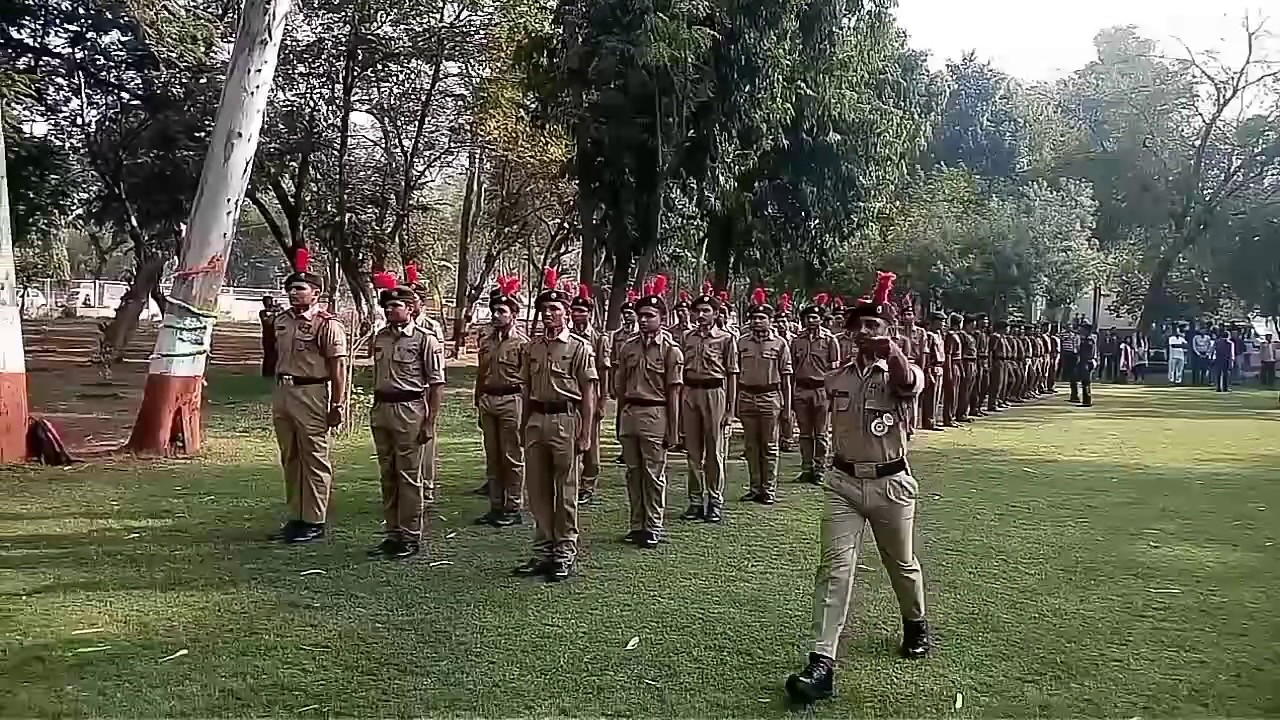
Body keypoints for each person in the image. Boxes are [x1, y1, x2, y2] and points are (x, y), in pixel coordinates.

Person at [784, 271, 930, 705]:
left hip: (890, 484)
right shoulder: (838, 377)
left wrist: (895, 353)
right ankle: (821, 663)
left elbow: (908, 385)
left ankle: (916, 621)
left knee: (901, 564)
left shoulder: (900, 370)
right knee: (833, 570)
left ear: (888, 331)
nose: (865, 332)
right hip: (844, 483)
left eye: (874, 325)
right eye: (859, 326)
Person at [513, 268, 598, 582]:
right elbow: (524, 388)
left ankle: (564, 550)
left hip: (565, 419)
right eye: (544, 310)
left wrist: (586, 433)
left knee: (565, 490)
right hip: (537, 420)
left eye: (555, 310)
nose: (549, 314)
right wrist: (523, 426)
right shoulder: (532, 347)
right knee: (537, 490)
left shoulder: (579, 348)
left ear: (565, 314)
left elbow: (589, 393)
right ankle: (543, 549)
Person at [270, 248, 349, 544]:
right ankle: (297, 515)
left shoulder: (327, 324)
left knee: (314, 456)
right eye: (290, 288)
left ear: (315, 293)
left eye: (300, 288)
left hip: (312, 391)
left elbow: (338, 367)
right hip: (284, 391)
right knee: (290, 455)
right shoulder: (282, 320)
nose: (293, 293)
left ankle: (314, 519)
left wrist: (337, 404)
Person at [367, 272, 445, 560]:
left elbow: (436, 384)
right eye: (386, 307)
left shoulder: (425, 340)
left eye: (396, 306)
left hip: (410, 408)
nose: (390, 311)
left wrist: (430, 421)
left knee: (409, 475)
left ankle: (410, 534)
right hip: (383, 408)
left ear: (411, 309)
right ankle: (392, 532)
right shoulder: (381, 337)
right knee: (387, 474)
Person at [615, 276, 684, 548]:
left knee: (653, 475)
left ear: (662, 318)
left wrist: (674, 430)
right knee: (633, 473)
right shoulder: (627, 347)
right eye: (640, 316)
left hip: (656, 415)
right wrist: (619, 420)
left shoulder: (671, 351)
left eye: (649, 315)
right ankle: (636, 524)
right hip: (631, 414)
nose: (643, 320)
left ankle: (653, 526)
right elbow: (620, 389)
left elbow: (674, 393)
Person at [679, 285, 738, 523]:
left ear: (716, 313)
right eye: (698, 311)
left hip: (715, 392)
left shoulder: (726, 339)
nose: (700, 315)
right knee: (692, 451)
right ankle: (695, 500)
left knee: (714, 451)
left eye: (706, 311)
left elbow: (732, 374)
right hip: (691, 391)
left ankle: (714, 500)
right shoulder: (687, 337)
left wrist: (730, 410)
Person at [474, 275, 528, 528]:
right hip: (489, 399)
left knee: (512, 455)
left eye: (502, 311)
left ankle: (513, 506)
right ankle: (495, 505)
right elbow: (480, 374)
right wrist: (478, 400)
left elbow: (528, 379)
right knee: (492, 456)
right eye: (494, 311)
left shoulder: (523, 344)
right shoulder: (485, 341)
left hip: (512, 400)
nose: (496, 315)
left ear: (513, 315)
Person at [738, 288, 793, 505]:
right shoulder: (742, 342)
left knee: (769, 446)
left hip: (770, 397)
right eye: (754, 318)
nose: (757, 321)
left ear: (770, 321)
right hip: (747, 396)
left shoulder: (780, 344)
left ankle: (768, 489)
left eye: (762, 318)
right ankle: (754, 487)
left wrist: (787, 408)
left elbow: (787, 378)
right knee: (751, 447)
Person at [790, 294, 840, 484]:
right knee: (804, 433)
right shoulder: (797, 341)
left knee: (820, 434)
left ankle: (820, 469)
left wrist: (832, 394)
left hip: (821, 390)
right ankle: (806, 468)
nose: (811, 321)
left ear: (821, 319)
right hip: (802, 389)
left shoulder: (829, 340)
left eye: (815, 317)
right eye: (807, 318)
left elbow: (834, 369)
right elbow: (793, 367)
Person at [570, 282, 612, 503]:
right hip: (570, 397)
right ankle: (573, 483)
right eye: (574, 310)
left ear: (589, 313)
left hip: (591, 396)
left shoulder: (599, 339)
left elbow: (603, 374)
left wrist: (602, 402)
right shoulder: (567, 337)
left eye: (582, 311)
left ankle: (588, 483)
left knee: (591, 444)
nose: (577, 315)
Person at [610, 292, 639, 464]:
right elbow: (614, 361)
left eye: (630, 313)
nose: (627, 316)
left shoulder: (640, 334)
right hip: (623, 379)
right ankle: (624, 449)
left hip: (639, 379)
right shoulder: (618, 335)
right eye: (625, 314)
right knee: (621, 416)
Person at [776, 293, 799, 454]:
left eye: (783, 322)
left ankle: (788, 438)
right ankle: (777, 438)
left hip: (793, 377)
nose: (781, 325)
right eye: (778, 322)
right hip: (776, 376)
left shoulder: (794, 340)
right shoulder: (774, 341)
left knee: (789, 409)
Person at [921, 311, 946, 429]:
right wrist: (928, 371)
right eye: (941, 321)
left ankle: (934, 419)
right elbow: (927, 355)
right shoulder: (929, 335)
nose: (943, 323)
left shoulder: (940, 336)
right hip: (933, 367)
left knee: (937, 396)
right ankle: (928, 421)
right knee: (930, 396)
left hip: (940, 367)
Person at [941, 313, 963, 425]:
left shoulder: (955, 335)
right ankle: (948, 417)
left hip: (957, 365)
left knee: (955, 393)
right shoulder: (951, 336)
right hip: (952, 365)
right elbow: (948, 354)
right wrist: (948, 371)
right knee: (951, 393)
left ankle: (952, 417)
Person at [956, 315, 978, 422]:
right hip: (966, 361)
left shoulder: (971, 336)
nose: (974, 327)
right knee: (964, 390)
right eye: (972, 325)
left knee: (969, 389)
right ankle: (960, 413)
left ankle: (965, 412)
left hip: (972, 362)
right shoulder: (962, 335)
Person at [1071, 321, 1097, 406]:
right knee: (1077, 379)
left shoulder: (1089, 340)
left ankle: (1087, 400)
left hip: (1087, 362)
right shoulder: (1084, 339)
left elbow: (1089, 353)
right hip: (1083, 361)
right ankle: (1079, 398)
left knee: (1086, 382)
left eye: (1083, 329)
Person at [987, 319, 1009, 412]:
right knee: (996, 383)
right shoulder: (995, 337)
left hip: (1003, 361)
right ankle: (992, 403)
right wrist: (990, 364)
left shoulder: (1002, 337)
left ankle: (999, 400)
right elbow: (991, 351)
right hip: (997, 361)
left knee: (1002, 383)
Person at [971, 314, 990, 415]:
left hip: (985, 361)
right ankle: (974, 407)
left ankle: (979, 406)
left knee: (984, 385)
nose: (985, 322)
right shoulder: (977, 334)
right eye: (983, 320)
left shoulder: (985, 334)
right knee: (977, 386)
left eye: (986, 320)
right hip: (979, 360)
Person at [259, 295, 280, 377]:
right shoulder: (263, 312)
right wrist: (274, 314)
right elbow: (267, 322)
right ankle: (267, 373)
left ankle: (273, 372)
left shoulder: (274, 312)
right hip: (267, 337)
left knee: (275, 355)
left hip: (276, 337)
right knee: (268, 355)